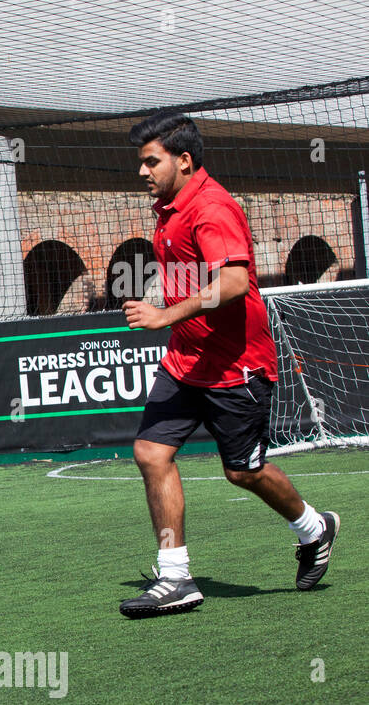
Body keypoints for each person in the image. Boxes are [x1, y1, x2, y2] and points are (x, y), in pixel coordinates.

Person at [120, 111, 339, 617]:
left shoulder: (212, 207)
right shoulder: (168, 206)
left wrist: (165, 314)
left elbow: (235, 283)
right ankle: (175, 577)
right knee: (151, 453)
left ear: (185, 159)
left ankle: (313, 527)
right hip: (185, 362)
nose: (142, 171)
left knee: (244, 473)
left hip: (236, 368)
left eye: (151, 161)